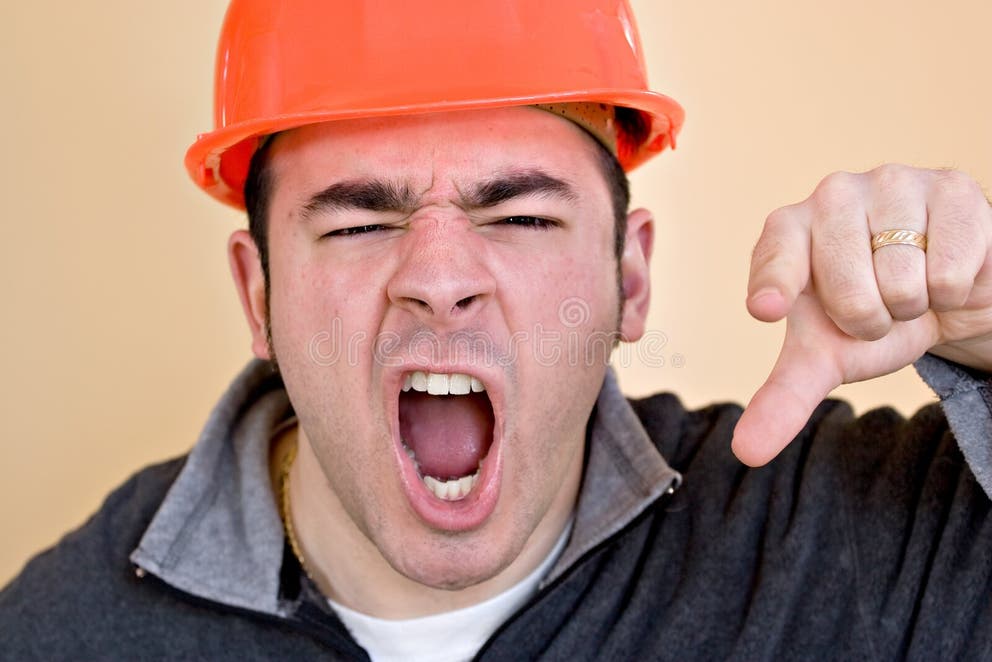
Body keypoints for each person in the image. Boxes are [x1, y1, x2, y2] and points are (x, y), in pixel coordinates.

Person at [2, 1, 990, 659]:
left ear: (628, 276)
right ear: (256, 292)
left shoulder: (853, 540)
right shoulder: (62, 630)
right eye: (357, 221)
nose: (437, 280)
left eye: (519, 216)